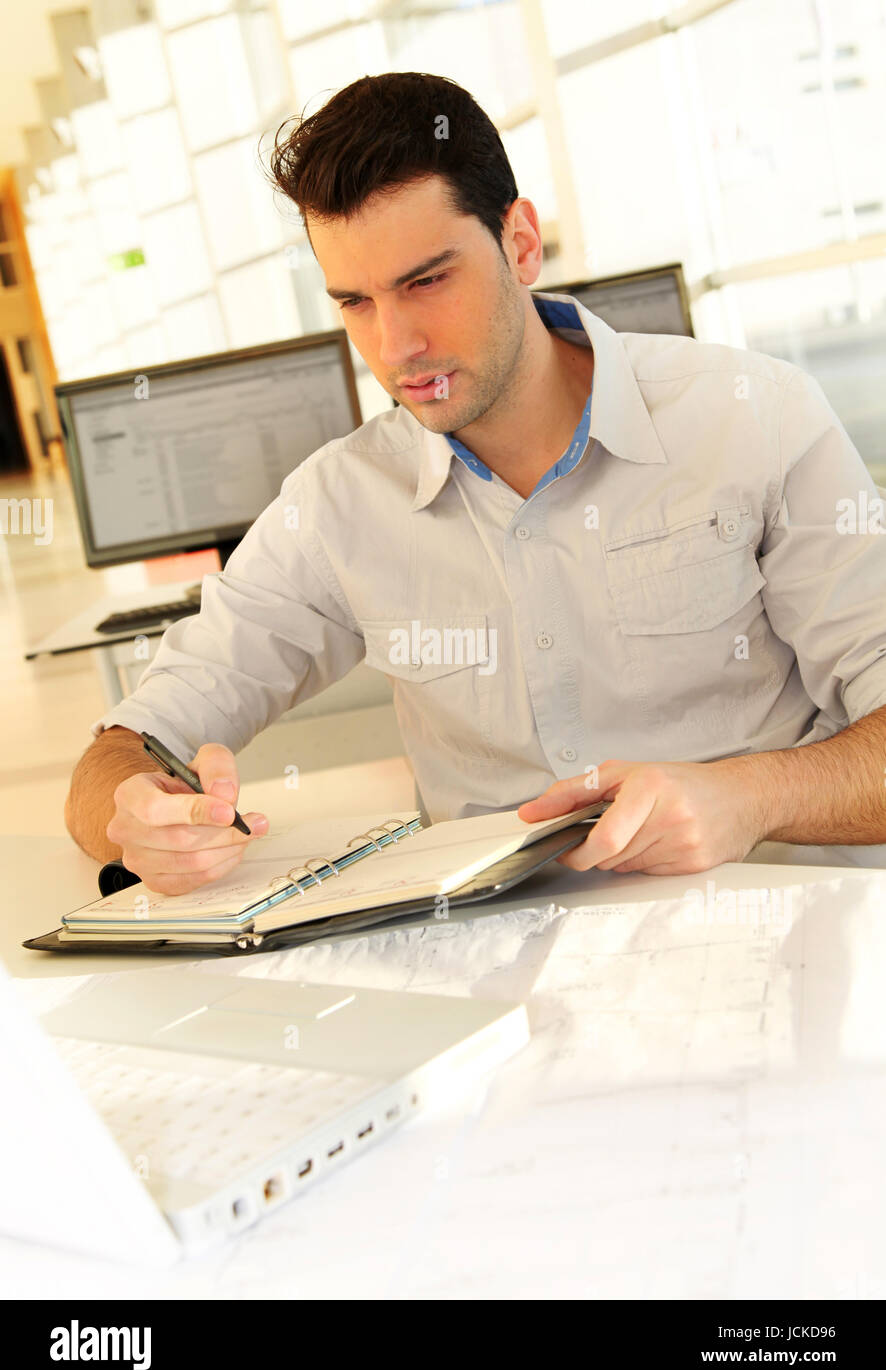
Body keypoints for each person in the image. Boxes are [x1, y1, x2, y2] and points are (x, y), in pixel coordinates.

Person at [65, 71, 886, 894]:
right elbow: (122, 752)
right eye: (356, 302)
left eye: (426, 281)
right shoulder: (339, 505)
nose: (396, 346)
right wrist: (137, 816)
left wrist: (750, 798)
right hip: (502, 964)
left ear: (521, 244)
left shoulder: (752, 418)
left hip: (773, 930)